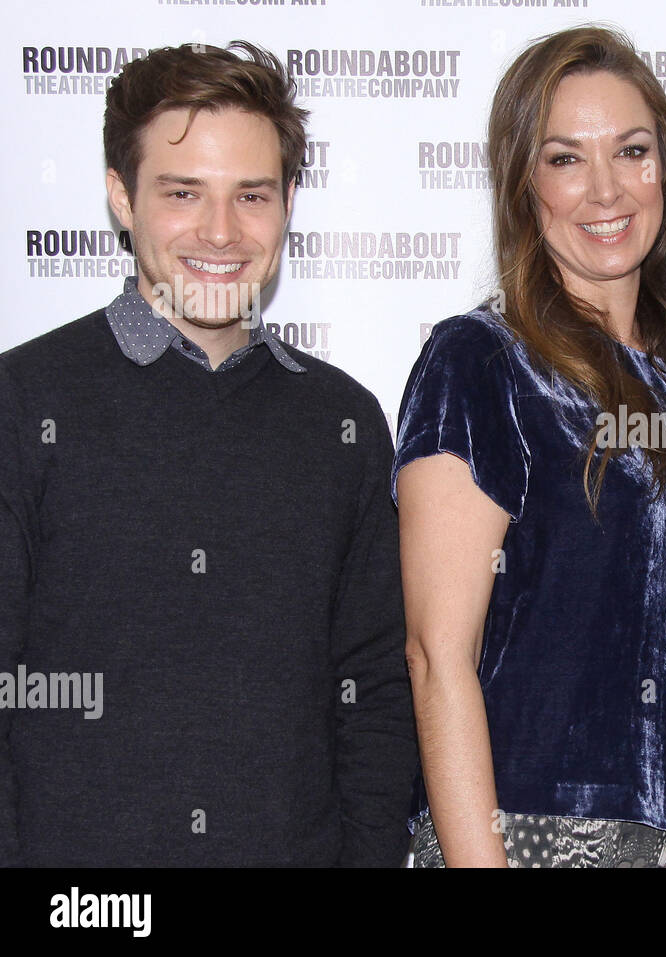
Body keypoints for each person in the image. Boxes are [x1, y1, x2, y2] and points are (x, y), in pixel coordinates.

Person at [0, 41, 415, 866]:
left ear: (290, 200)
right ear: (122, 196)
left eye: (251, 195)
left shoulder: (343, 423)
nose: (221, 231)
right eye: (182, 193)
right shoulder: (23, 404)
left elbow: (372, 693)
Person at [394, 26, 666, 868]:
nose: (605, 189)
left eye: (631, 150)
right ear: (523, 184)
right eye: (564, 159)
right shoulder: (480, 361)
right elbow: (438, 655)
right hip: (524, 840)